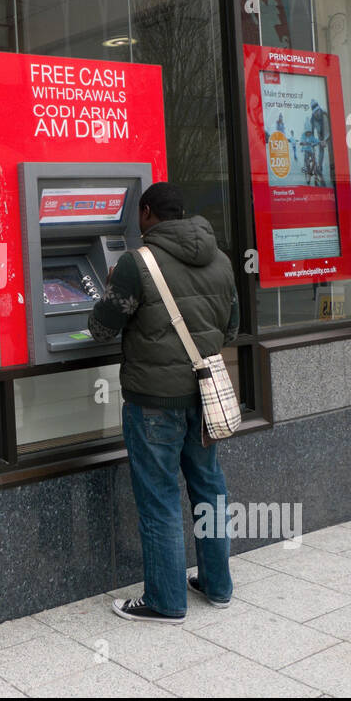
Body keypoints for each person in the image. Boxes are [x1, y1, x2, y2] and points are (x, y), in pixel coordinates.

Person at [88, 182, 239, 624]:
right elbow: (229, 332)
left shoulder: (136, 264)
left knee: (158, 498)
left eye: (139, 215)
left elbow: (101, 328)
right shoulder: (222, 260)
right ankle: (217, 584)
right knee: (209, 489)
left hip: (153, 400)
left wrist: (111, 290)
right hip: (205, 397)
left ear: (149, 213)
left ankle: (166, 600)